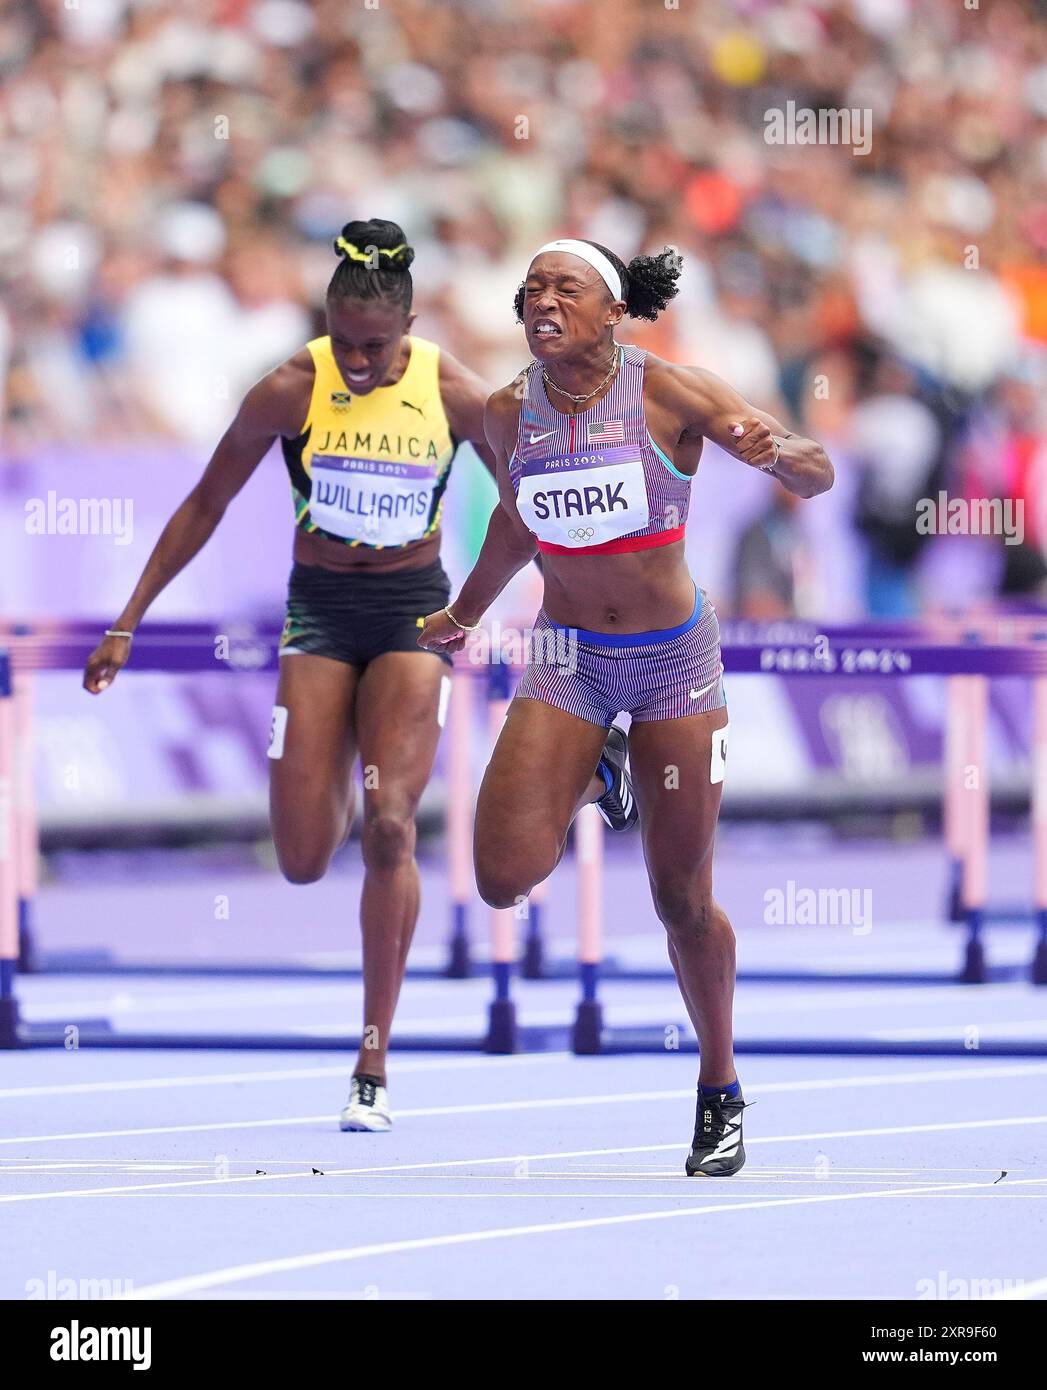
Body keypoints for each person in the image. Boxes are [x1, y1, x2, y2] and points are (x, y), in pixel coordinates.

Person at [420, 238, 834, 1175]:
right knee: (499, 874)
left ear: (611, 310)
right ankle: (597, 763)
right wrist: (463, 613)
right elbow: (516, 523)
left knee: (680, 899)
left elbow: (816, 477)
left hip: (671, 663)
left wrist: (788, 453)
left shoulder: (673, 393)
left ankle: (719, 1087)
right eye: (528, 289)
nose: (540, 301)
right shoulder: (503, 411)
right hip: (568, 654)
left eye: (562, 287)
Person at [83, 218, 497, 1132]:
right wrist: (127, 621)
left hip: (408, 617)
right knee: (306, 859)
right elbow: (205, 503)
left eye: (375, 347)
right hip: (317, 615)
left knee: (391, 828)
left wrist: (482, 607)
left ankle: (372, 1062)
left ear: (411, 326)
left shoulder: (457, 395)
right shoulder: (288, 388)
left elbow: (526, 504)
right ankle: (342, 756)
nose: (356, 363)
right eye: (343, 343)